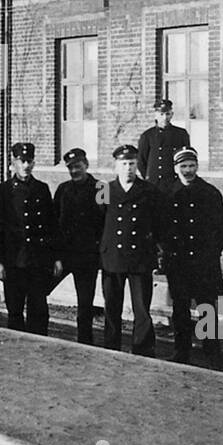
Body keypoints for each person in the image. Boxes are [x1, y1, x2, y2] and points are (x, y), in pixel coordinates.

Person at [160, 147, 223, 365]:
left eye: (191, 165)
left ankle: (212, 353)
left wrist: (211, 254)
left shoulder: (209, 193)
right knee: (180, 308)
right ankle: (181, 351)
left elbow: (221, 229)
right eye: (183, 166)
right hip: (178, 262)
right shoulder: (168, 195)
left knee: (206, 307)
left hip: (204, 262)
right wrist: (168, 252)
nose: (188, 170)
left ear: (197, 166)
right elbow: (161, 227)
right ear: (175, 168)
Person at [0, 142, 61, 336]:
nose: (26, 166)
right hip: (13, 261)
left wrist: (55, 258)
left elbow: (51, 226)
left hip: (37, 261)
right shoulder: (3, 191)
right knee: (15, 311)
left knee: (39, 311)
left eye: (29, 161)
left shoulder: (42, 189)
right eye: (21, 161)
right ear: (13, 164)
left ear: (34, 163)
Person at [99, 144, 162, 357]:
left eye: (132, 164)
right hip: (113, 259)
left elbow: (158, 222)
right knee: (112, 307)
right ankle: (111, 347)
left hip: (140, 259)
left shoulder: (149, 190)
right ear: (116, 166)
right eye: (124, 164)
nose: (128, 168)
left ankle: (143, 349)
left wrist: (158, 251)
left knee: (142, 309)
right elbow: (97, 222)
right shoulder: (104, 190)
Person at [53, 147, 106, 344]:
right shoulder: (63, 189)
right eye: (71, 168)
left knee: (85, 304)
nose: (75, 171)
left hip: (88, 256)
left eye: (78, 166)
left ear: (86, 165)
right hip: (65, 254)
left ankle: (84, 343)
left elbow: (105, 221)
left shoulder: (101, 188)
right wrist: (55, 255)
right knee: (39, 289)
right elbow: (54, 221)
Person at [137, 98, 191, 193]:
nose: (165, 117)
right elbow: (141, 161)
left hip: (175, 182)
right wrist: (149, 178)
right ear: (156, 115)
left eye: (168, 114)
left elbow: (186, 158)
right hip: (154, 183)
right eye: (161, 114)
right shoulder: (148, 135)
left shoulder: (181, 134)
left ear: (172, 114)